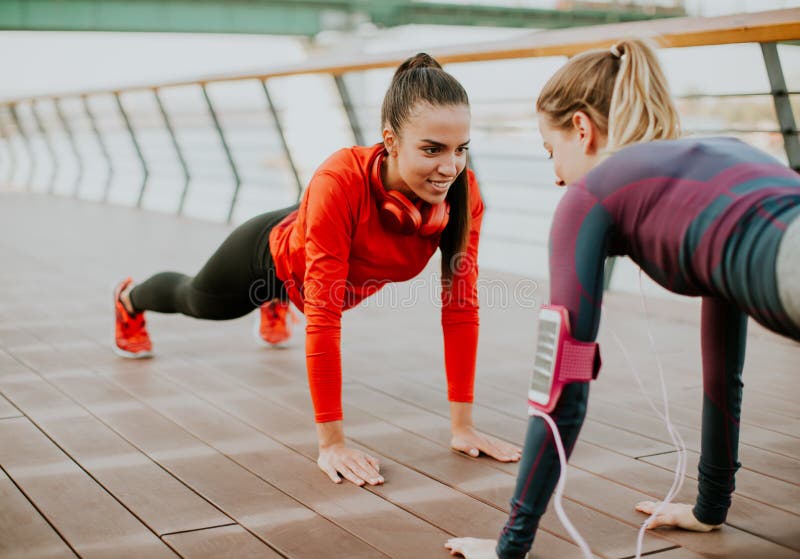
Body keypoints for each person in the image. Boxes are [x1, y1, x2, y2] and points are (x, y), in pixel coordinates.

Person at [445, 38, 800, 559]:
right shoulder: (723, 157)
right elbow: (723, 368)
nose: (556, 174)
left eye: (552, 150)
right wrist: (709, 508)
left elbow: (561, 382)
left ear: (583, 129)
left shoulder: (588, 197)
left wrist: (509, 548)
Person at [113, 53, 522, 487]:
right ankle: (129, 299)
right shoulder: (340, 178)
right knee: (196, 299)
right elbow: (323, 316)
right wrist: (332, 444)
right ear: (391, 140)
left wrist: (463, 427)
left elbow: (461, 308)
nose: (449, 168)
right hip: (269, 257)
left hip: (317, 258)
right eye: (431, 149)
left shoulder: (463, 195)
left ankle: (277, 304)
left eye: (461, 150)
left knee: (312, 292)